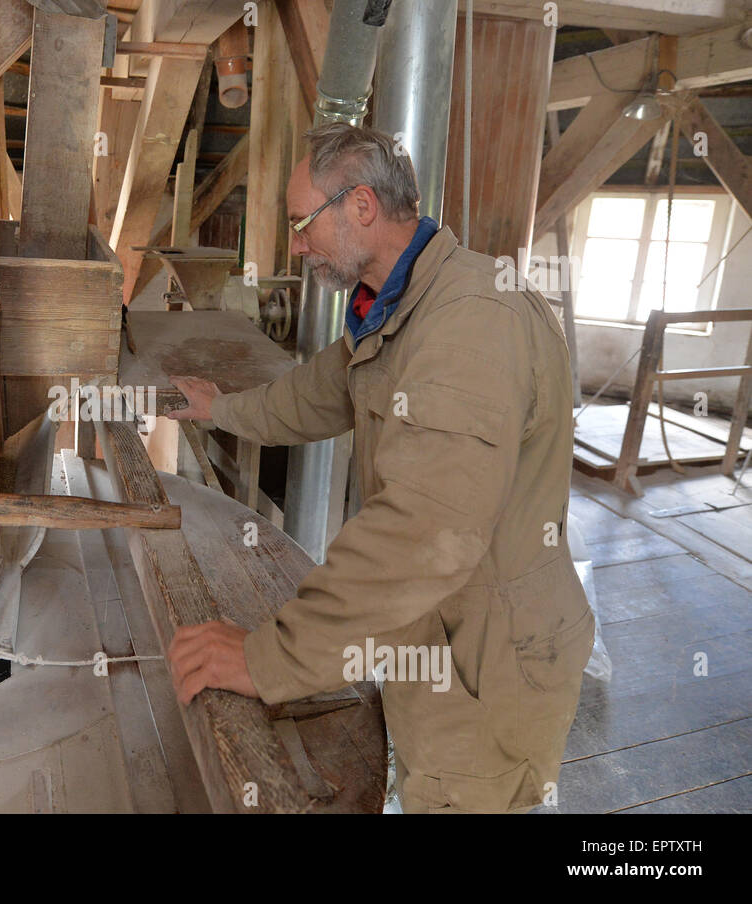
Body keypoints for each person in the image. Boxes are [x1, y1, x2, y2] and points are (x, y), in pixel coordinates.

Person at [165, 121, 594, 813]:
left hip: (487, 661)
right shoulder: (397, 305)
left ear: (361, 206)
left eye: (303, 224)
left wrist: (267, 658)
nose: (297, 245)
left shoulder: (471, 322)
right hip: (433, 632)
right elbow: (318, 391)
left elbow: (425, 533)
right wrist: (222, 411)